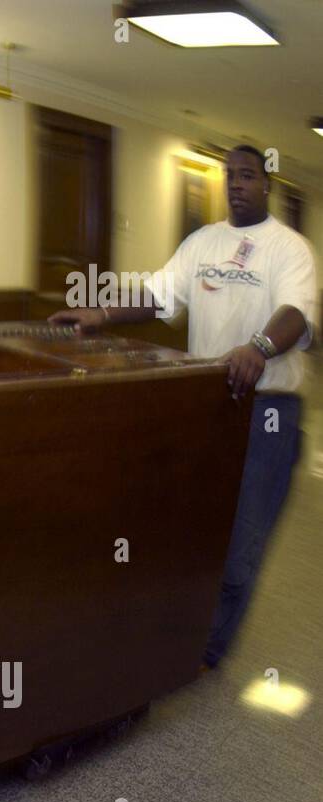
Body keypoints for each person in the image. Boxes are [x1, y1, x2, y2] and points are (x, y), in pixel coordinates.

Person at [50, 144, 317, 668]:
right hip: (208, 402)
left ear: (268, 186)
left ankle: (205, 654)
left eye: (247, 176)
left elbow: (296, 315)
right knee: (190, 525)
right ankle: (177, 631)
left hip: (269, 414)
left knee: (240, 547)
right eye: (230, 176)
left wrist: (258, 347)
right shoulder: (203, 243)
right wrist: (100, 313)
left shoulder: (291, 249)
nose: (236, 184)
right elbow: (159, 293)